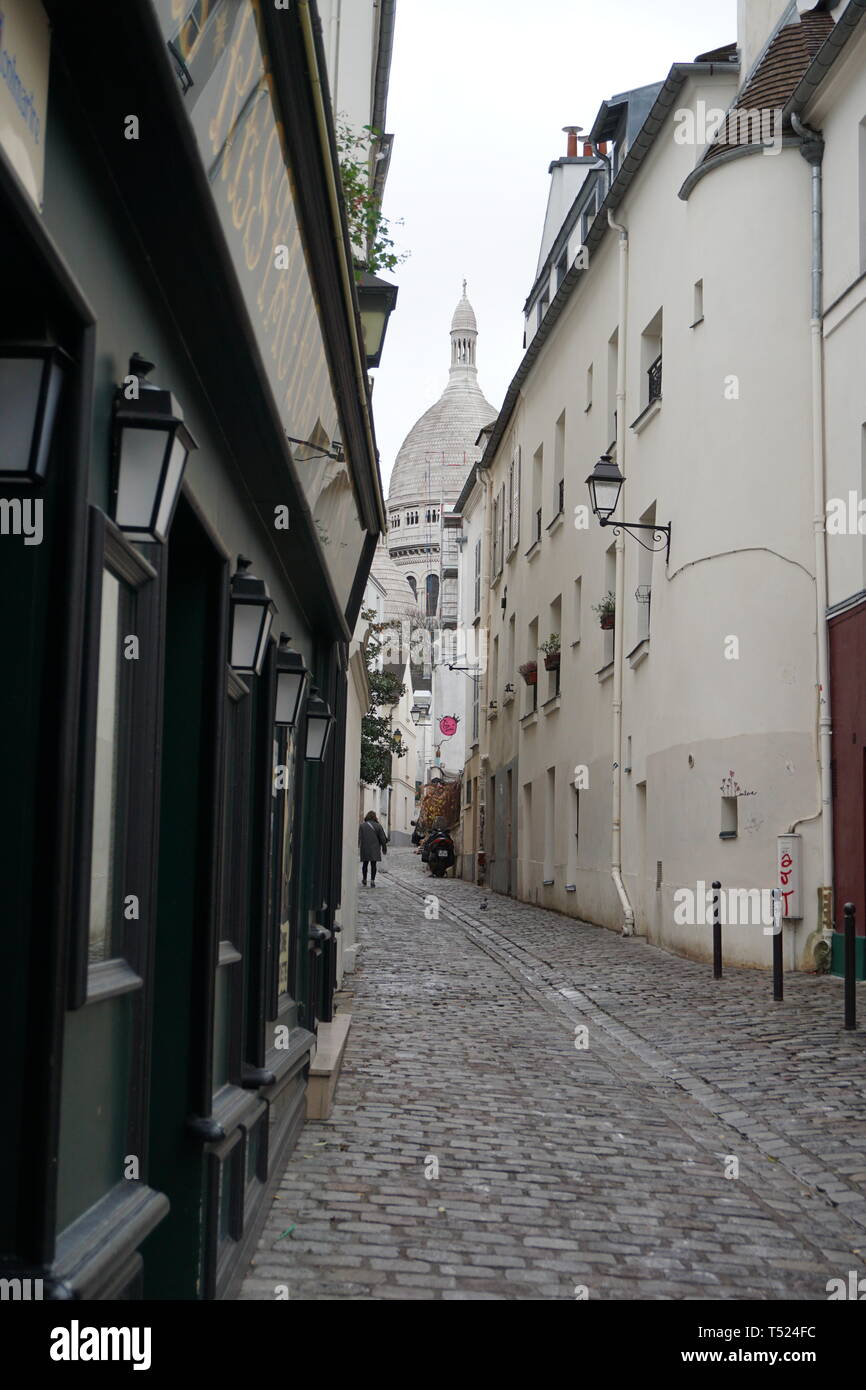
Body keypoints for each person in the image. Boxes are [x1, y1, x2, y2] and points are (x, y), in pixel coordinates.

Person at [359, 810, 388, 886]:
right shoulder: (378, 826)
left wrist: (359, 846)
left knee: (365, 864)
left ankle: (364, 879)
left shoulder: (362, 826)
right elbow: (383, 839)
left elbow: (360, 837)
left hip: (365, 848)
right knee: (373, 865)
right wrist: (384, 848)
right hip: (374, 848)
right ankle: (372, 880)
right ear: (375, 817)